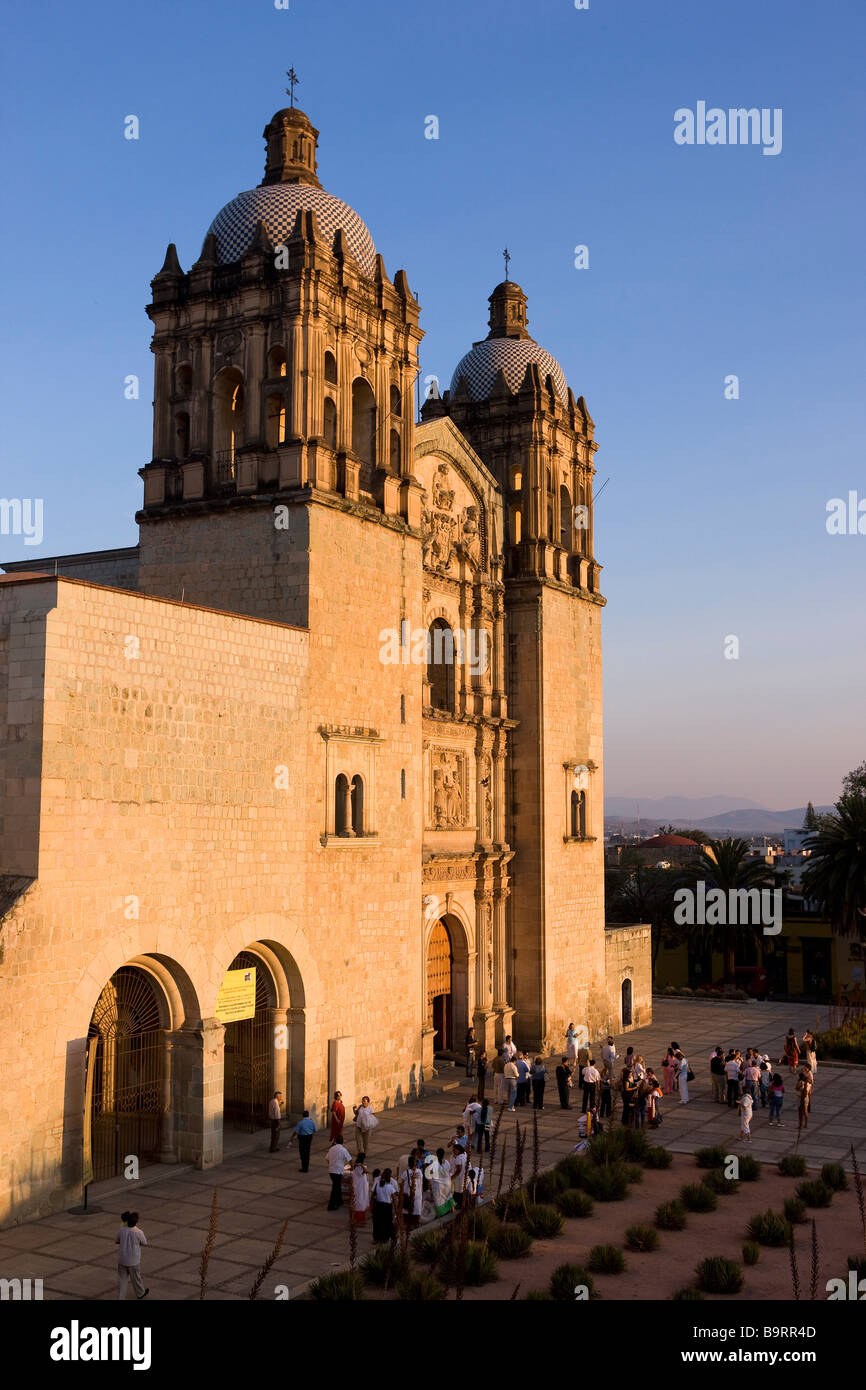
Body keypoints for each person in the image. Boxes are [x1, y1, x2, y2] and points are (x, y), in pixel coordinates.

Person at [116, 1211, 149, 1301]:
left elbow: (117, 1241)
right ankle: (140, 1293)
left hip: (122, 1259)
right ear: (136, 1222)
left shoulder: (121, 1230)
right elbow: (144, 1243)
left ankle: (120, 1298)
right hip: (133, 1260)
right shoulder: (139, 1232)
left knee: (122, 1281)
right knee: (136, 1278)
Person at [371, 1167, 398, 1243]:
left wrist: (372, 1205)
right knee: (387, 1223)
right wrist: (396, 1210)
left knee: (377, 1223)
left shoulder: (377, 1185)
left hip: (378, 1206)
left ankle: (376, 1238)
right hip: (387, 1207)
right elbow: (394, 1199)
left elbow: (373, 1195)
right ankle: (386, 1238)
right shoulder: (390, 1187)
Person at [326, 1136, 353, 1209]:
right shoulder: (343, 1150)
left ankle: (339, 1201)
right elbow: (350, 1159)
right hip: (338, 1172)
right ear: (342, 1141)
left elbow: (327, 1159)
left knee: (337, 1187)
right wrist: (352, 1168)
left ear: (335, 1141)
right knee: (335, 1188)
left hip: (331, 1171)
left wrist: (331, 1164)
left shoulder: (331, 1149)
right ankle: (331, 1206)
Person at [399, 1156, 423, 1228]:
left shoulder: (405, 1173)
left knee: (407, 1216)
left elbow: (402, 1186)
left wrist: (400, 1197)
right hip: (417, 1196)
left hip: (407, 1197)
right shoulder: (419, 1172)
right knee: (416, 1215)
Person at [430, 1148, 454, 1216]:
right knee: (448, 1197)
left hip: (438, 1186)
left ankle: (441, 1214)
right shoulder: (446, 1162)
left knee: (439, 1201)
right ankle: (451, 1212)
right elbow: (449, 1171)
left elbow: (430, 1173)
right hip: (447, 1184)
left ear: (437, 1155)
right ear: (444, 1154)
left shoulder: (435, 1163)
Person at [351, 1157, 370, 1224]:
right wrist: (361, 1165)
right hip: (359, 1189)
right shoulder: (358, 1168)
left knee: (361, 1203)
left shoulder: (358, 1167)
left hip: (361, 1188)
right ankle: (358, 1220)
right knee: (360, 1203)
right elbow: (366, 1171)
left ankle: (358, 1219)